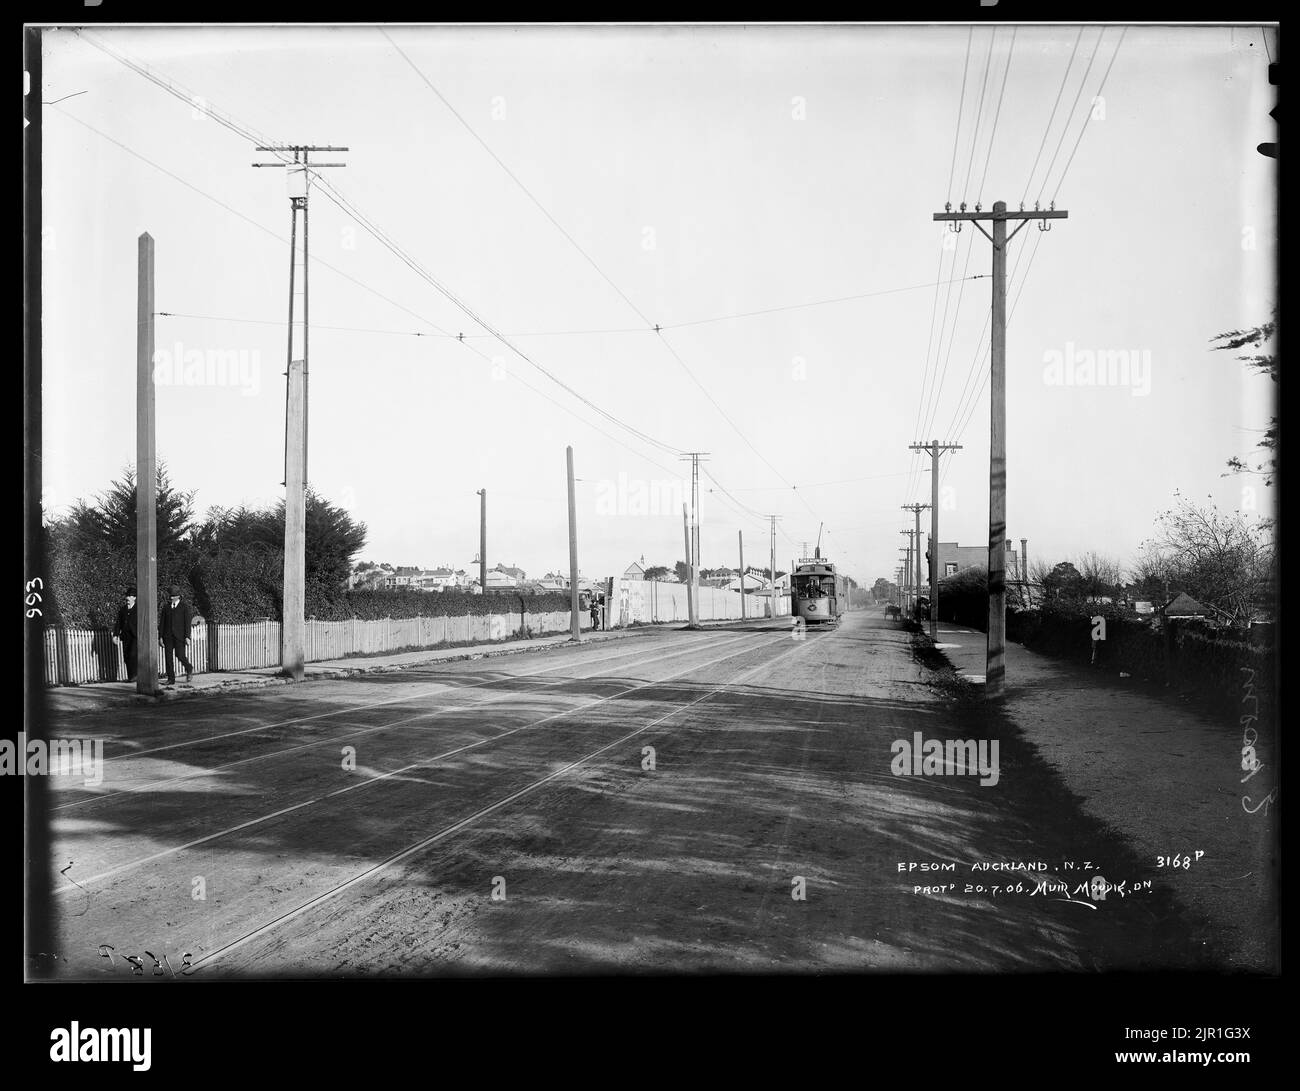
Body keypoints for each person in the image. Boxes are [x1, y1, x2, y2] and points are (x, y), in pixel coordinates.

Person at [158, 585, 197, 685]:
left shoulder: (184, 607)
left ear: (178, 596)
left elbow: (187, 623)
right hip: (168, 636)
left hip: (179, 636)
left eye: (173, 596)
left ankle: (189, 668)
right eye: (170, 596)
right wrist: (160, 637)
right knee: (168, 657)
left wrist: (187, 636)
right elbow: (162, 623)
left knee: (180, 655)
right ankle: (171, 679)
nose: (171, 598)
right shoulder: (166, 608)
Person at [112, 587, 139, 682]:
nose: (127, 598)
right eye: (127, 596)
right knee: (127, 656)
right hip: (125, 636)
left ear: (134, 598)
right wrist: (115, 635)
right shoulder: (123, 610)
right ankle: (131, 677)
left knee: (133, 655)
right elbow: (118, 623)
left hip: (135, 636)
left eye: (130, 596)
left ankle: (136, 675)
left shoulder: (139, 609)